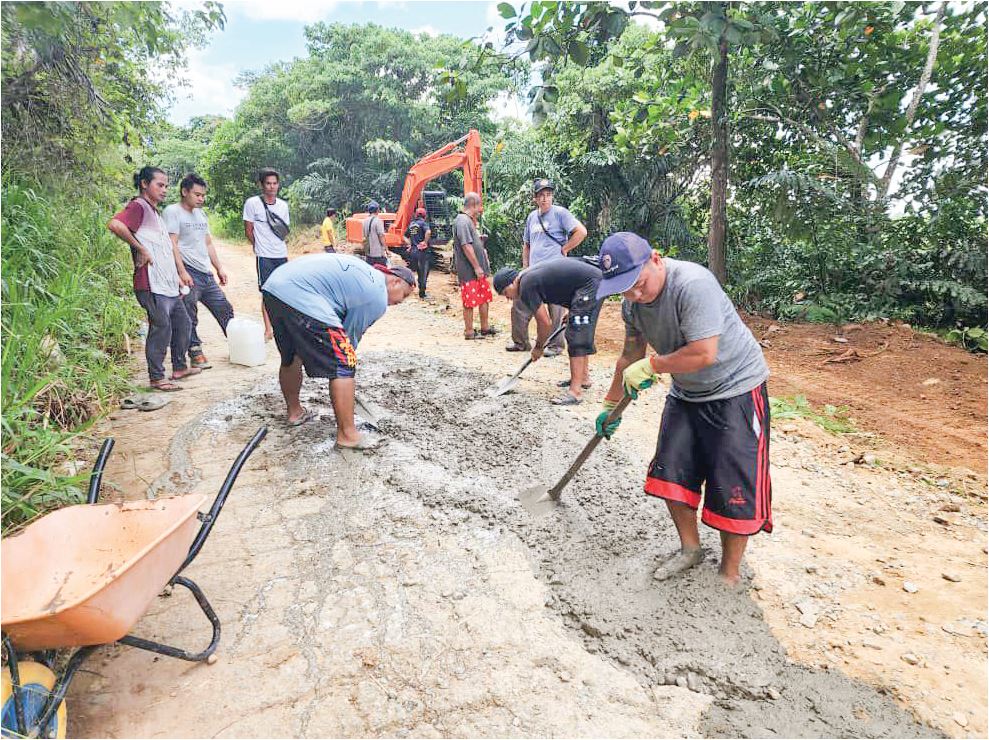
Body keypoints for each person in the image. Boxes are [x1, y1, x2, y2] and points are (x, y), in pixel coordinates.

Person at [594, 232, 772, 586]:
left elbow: (704, 353)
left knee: (732, 484)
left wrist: (654, 366)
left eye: (639, 284)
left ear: (655, 259)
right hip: (687, 392)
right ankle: (690, 549)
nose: (634, 295)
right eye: (625, 289)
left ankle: (729, 573)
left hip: (735, 388)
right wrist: (610, 404)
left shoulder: (692, 284)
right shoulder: (633, 305)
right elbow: (631, 354)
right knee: (671, 472)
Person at [261, 254, 416, 449]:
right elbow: (347, 340)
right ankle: (348, 435)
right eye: (405, 295)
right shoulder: (377, 294)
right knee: (344, 363)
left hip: (274, 288)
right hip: (300, 294)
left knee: (292, 356)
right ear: (395, 281)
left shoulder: (364, 274)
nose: (400, 302)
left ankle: (295, 412)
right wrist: (345, 370)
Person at [108, 166, 200, 392]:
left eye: (166, 185)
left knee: (183, 322)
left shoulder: (155, 212)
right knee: (162, 327)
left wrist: (178, 275)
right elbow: (115, 224)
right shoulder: (138, 206)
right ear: (144, 184)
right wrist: (139, 248)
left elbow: (165, 248)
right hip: (150, 282)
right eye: (160, 184)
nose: (165, 189)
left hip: (167, 283)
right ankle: (157, 378)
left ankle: (179, 367)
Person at [493, 257, 603, 405]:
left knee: (576, 334)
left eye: (506, 292)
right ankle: (583, 378)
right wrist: (573, 311)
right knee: (576, 327)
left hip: (591, 284)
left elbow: (545, 323)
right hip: (588, 284)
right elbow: (568, 282)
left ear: (512, 282)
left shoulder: (526, 285)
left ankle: (575, 393)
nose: (508, 297)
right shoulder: (528, 278)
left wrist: (538, 347)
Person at [506, 178, 587, 356]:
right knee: (520, 304)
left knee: (555, 308)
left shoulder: (560, 214)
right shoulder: (532, 218)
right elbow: (526, 244)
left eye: (548, 195)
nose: (545, 199)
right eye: (541, 195)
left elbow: (581, 232)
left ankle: (555, 346)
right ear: (535, 198)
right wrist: (525, 267)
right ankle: (520, 342)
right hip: (534, 271)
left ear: (552, 197)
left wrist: (565, 248)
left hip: (555, 271)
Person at [164, 173, 234, 370]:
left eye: (203, 195)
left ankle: (239, 344)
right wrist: (181, 271)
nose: (201, 199)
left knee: (224, 307)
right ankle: (195, 351)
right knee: (189, 313)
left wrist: (219, 267)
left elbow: (208, 243)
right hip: (188, 271)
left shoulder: (200, 214)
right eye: (197, 194)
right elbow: (172, 243)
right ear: (184, 192)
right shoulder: (173, 212)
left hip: (205, 273)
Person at [244, 168, 290, 341]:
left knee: (284, 291)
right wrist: (258, 247)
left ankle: (283, 326)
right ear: (261, 185)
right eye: (268, 183)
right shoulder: (252, 203)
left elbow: (283, 231)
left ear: (278, 185)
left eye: (274, 183)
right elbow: (248, 230)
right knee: (267, 292)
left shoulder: (283, 206)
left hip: (281, 254)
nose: (271, 187)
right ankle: (268, 329)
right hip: (264, 256)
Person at [453, 192, 495, 340]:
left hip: (478, 270)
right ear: (474, 205)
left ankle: (485, 328)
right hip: (469, 270)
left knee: (484, 297)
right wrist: (477, 267)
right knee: (470, 300)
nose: (481, 210)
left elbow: (472, 243)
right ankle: (469, 331)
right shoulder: (463, 221)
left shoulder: (469, 221)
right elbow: (466, 246)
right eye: (480, 206)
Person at [403, 207, 432, 299]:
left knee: (417, 271)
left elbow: (404, 236)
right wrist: (425, 242)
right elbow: (428, 232)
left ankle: (415, 289)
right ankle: (422, 293)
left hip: (413, 251)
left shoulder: (412, 224)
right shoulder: (423, 223)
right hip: (422, 251)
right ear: (424, 215)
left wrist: (409, 244)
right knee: (423, 271)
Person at [362, 201, 388, 266]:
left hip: (368, 253)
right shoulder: (378, 221)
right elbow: (381, 236)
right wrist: (386, 249)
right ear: (377, 210)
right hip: (378, 254)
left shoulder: (364, 221)